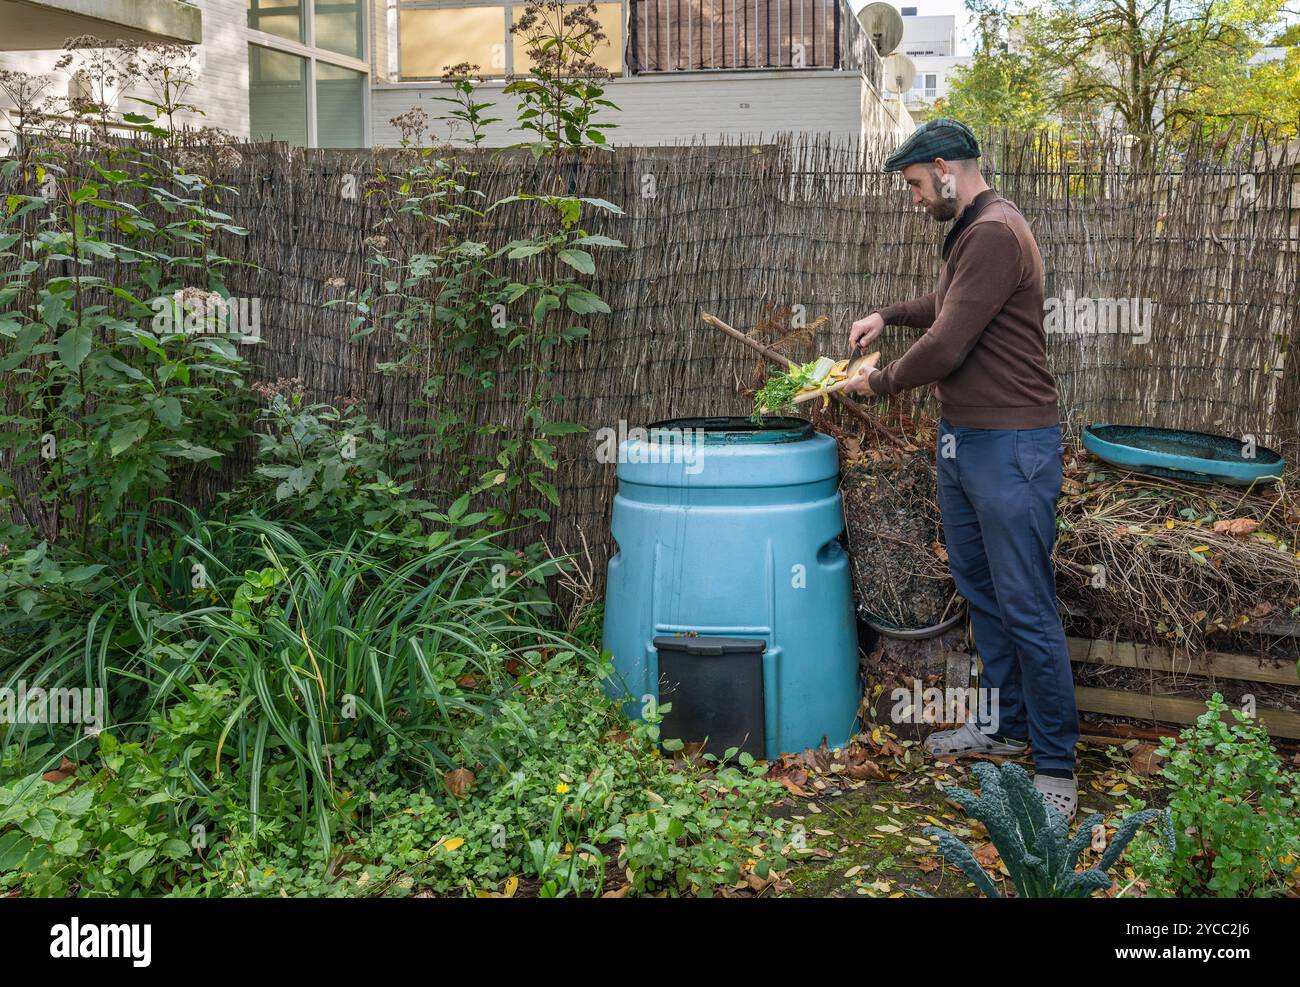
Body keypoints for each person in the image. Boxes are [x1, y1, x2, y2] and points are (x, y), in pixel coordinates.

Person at [842, 118, 1080, 820]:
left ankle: (1058, 769)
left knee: (1027, 604)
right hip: (964, 443)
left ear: (946, 168)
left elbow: (947, 344)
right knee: (982, 593)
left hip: (1013, 448)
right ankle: (1005, 728)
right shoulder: (972, 232)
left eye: (915, 184)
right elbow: (945, 308)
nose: (914, 198)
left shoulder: (997, 232)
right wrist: (886, 314)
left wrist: (878, 383)